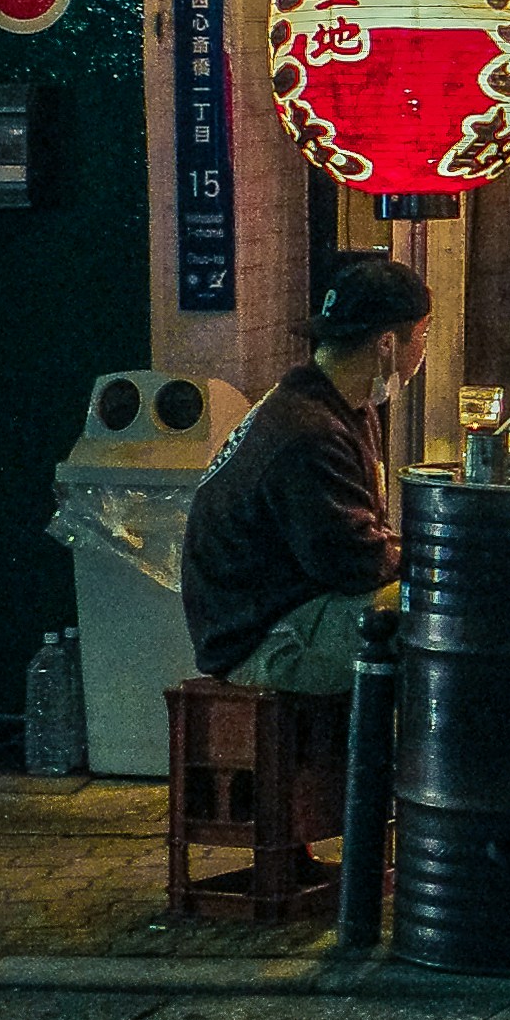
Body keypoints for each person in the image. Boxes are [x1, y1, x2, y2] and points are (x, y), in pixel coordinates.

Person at [181, 254, 429, 697]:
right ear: (388, 344)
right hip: (265, 638)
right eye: (423, 337)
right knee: (438, 622)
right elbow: (352, 564)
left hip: (295, 608)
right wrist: (440, 559)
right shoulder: (309, 432)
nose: (423, 355)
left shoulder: (341, 406)